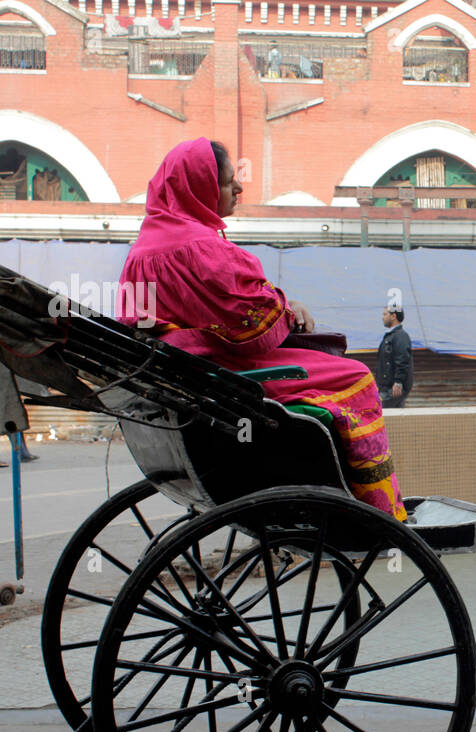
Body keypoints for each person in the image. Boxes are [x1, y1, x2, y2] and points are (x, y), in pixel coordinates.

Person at [116, 138, 405, 520]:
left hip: (188, 374)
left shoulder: (145, 248)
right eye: (226, 181)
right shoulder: (197, 247)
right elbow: (249, 319)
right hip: (223, 374)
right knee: (357, 376)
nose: (238, 188)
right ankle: (378, 510)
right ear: (197, 188)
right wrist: (288, 307)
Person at [377, 305, 413, 408]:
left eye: (385, 314)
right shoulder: (391, 336)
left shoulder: (400, 336)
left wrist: (398, 381)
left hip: (392, 389)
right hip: (387, 388)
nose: (382, 317)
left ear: (393, 316)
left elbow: (403, 360)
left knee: (383, 414)